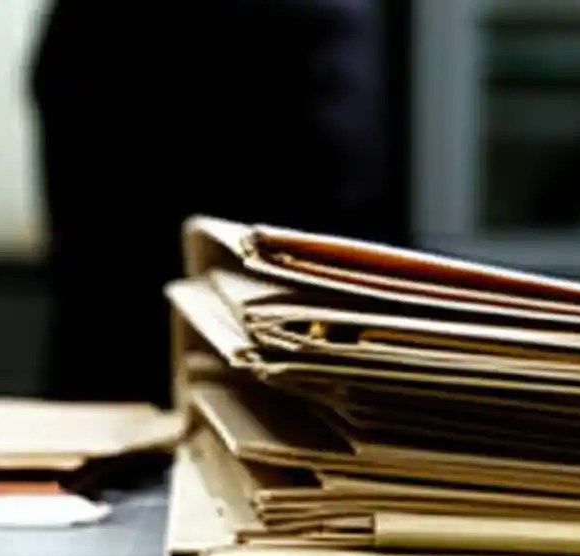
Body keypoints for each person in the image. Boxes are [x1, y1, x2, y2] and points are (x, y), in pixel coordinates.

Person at [31, 0, 393, 407]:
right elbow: (346, 216)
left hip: (105, 380)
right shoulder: (315, 17)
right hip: (273, 391)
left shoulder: (89, 20)